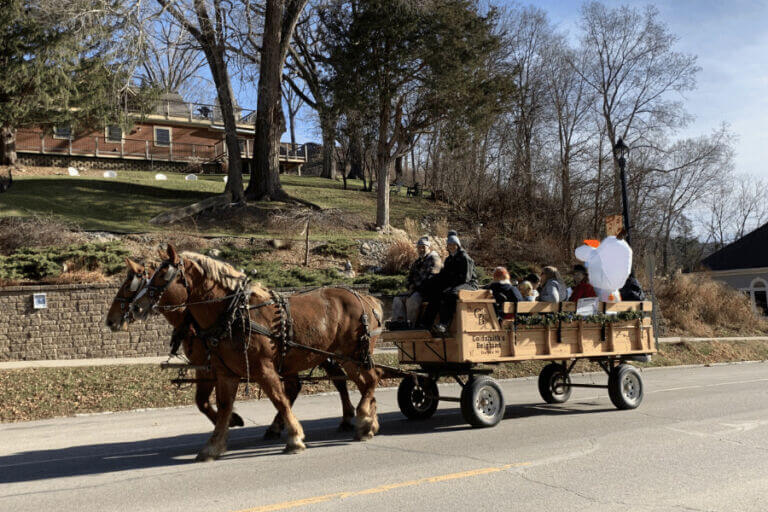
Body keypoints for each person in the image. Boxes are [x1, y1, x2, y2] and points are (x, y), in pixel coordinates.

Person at [420, 231, 478, 334]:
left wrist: (450, 286)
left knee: (451, 294)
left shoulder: (464, 258)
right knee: (436, 294)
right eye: (449, 245)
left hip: (469, 284)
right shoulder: (449, 259)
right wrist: (431, 282)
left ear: (458, 245)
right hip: (455, 284)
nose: (451, 247)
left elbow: (466, 278)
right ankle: (426, 323)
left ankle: (444, 324)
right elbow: (444, 276)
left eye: (453, 245)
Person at [389, 237, 441, 328]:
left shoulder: (434, 259)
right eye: (419, 247)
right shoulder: (417, 262)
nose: (421, 249)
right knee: (398, 299)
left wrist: (414, 288)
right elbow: (409, 277)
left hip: (429, 292)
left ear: (429, 247)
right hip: (416, 291)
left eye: (423, 247)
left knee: (412, 300)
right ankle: (399, 324)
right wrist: (409, 286)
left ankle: (411, 326)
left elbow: (430, 279)